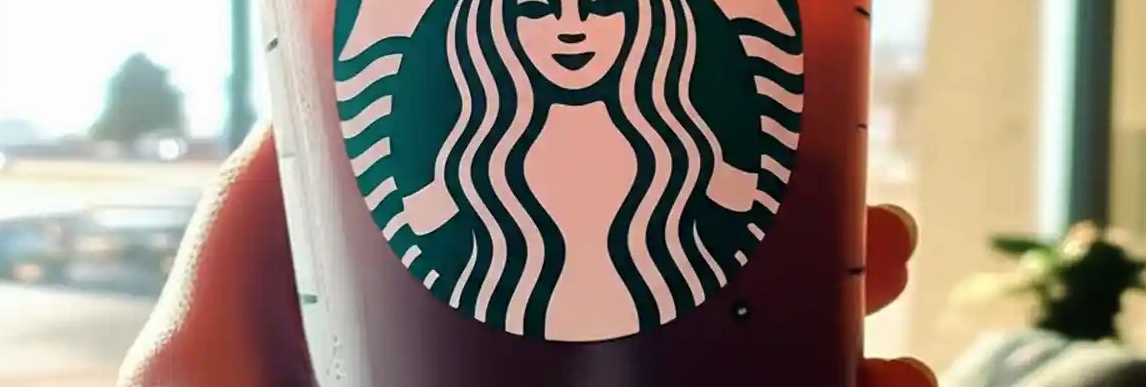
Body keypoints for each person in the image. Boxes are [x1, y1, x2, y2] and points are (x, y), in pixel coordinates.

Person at [117, 124, 937, 387]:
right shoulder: (456, 175)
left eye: (603, 2)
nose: (572, 27)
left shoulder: (697, 168)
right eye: (538, 4)